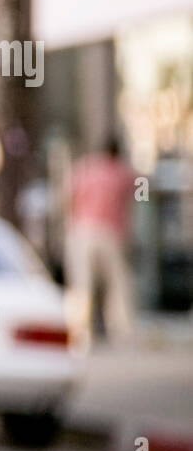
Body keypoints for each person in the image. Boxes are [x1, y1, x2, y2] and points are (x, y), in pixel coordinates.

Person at [65, 135, 135, 347]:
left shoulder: (84, 167)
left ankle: (79, 333)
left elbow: (69, 197)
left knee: (82, 284)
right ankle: (121, 331)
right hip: (109, 232)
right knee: (117, 283)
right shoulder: (121, 172)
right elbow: (142, 187)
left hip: (81, 230)